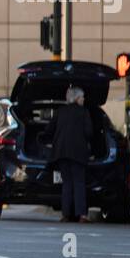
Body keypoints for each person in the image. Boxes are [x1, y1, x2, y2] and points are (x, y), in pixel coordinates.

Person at [50, 85, 93, 222]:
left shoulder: (60, 111)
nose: (84, 99)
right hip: (78, 152)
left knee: (67, 183)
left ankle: (65, 214)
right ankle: (82, 214)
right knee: (79, 182)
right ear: (76, 98)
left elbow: (50, 129)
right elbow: (89, 132)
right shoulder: (83, 112)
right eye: (82, 97)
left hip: (61, 152)